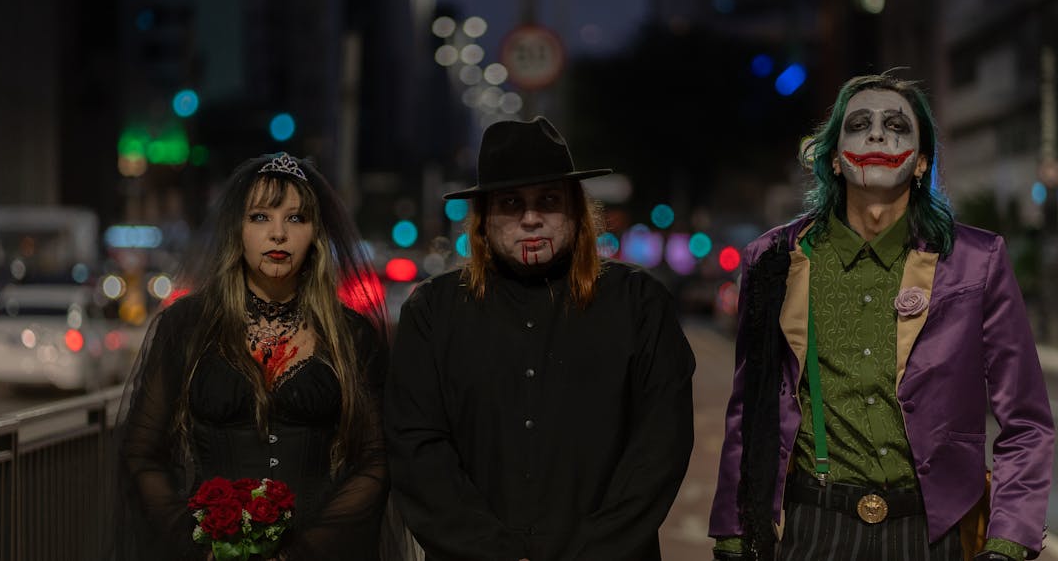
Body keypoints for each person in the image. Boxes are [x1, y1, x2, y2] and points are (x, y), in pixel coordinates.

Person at [708, 74, 1054, 561]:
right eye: (858, 125)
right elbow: (750, 405)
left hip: (932, 533)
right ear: (833, 157)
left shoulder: (978, 261)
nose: (876, 135)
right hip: (812, 528)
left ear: (922, 161)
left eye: (896, 125)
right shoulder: (775, 259)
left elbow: (1027, 422)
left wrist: (1008, 542)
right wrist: (733, 528)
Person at [385, 116, 696, 561]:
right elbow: (417, 452)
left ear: (576, 210)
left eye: (548, 200)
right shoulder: (433, 313)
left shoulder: (639, 304)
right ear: (484, 219)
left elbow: (659, 448)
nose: (531, 218)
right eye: (511, 202)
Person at [112, 153, 410, 560]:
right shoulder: (187, 326)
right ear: (238, 229)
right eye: (259, 217)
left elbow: (376, 461)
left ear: (316, 233)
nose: (278, 234)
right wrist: (196, 544)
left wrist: (303, 553)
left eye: (296, 218)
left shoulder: (351, 336)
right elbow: (141, 452)